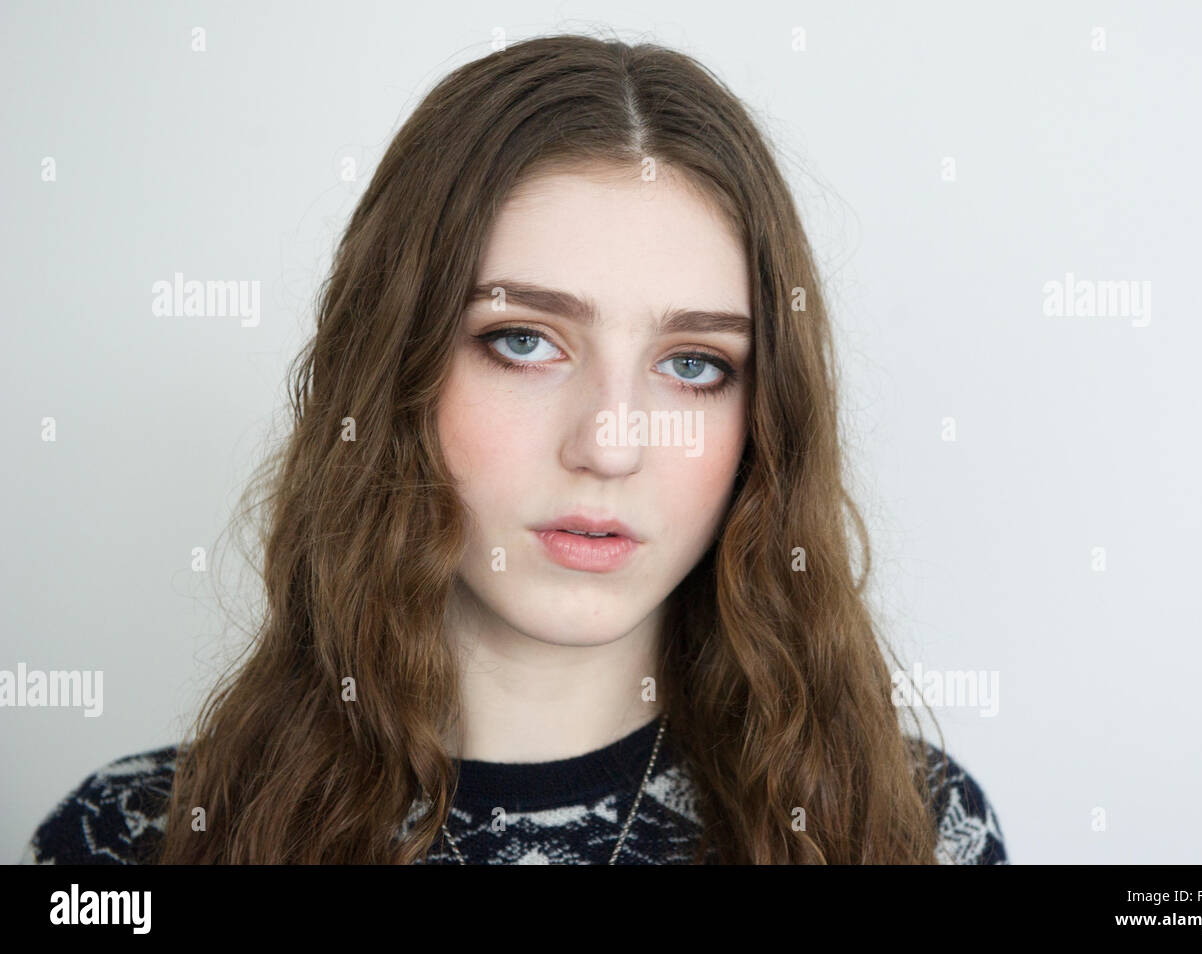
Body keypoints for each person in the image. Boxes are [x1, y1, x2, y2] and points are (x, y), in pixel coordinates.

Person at [24, 33, 1006, 865]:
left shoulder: (909, 832)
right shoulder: (129, 846)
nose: (609, 446)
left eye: (696, 363)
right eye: (523, 342)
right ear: (390, 370)